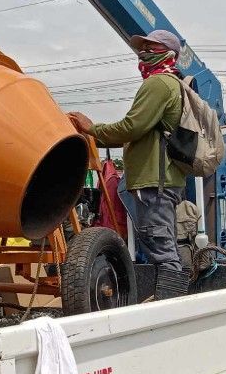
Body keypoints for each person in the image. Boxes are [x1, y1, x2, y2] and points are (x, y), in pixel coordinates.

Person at [68, 29, 189, 300]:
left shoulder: (159, 83)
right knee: (161, 243)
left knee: (160, 245)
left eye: (151, 48)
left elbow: (131, 127)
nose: (144, 52)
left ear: (168, 54)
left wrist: (91, 128)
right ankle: (171, 301)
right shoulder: (173, 83)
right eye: (142, 47)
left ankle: (171, 305)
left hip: (154, 181)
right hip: (162, 179)